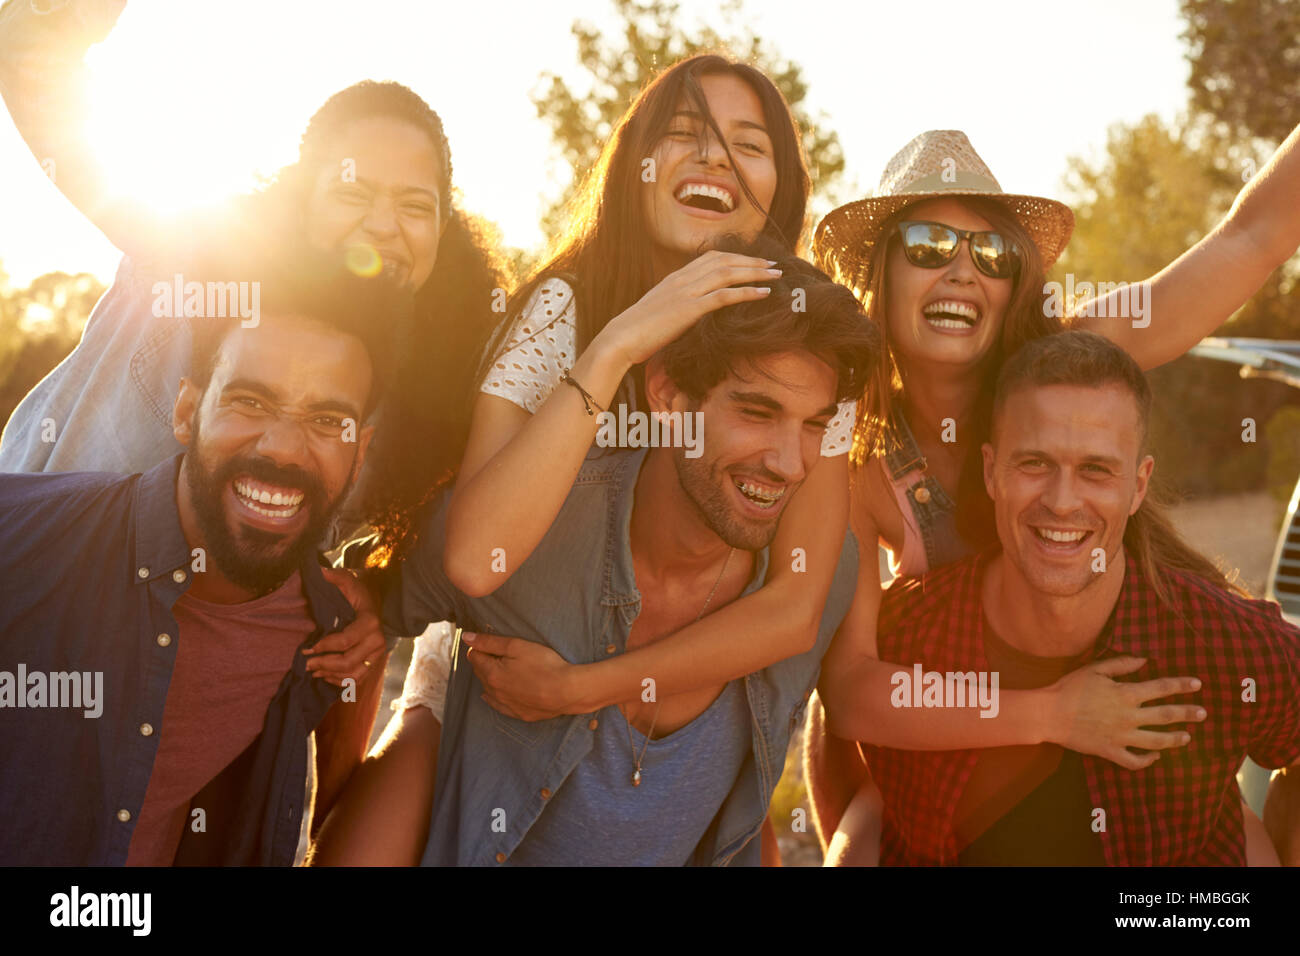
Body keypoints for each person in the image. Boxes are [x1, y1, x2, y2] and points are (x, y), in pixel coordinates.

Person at [379, 58, 854, 867]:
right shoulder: (562, 308)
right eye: (684, 136)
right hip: (500, 649)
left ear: (780, 188)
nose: (715, 159)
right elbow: (475, 558)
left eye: (749, 145)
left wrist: (581, 690)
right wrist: (625, 339)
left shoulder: (806, 342)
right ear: (634, 165)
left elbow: (793, 607)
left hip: (669, 679)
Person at [805, 127, 1300, 865]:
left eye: (993, 253)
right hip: (980, 707)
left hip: (1122, 663)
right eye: (929, 245)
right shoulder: (864, 460)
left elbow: (1250, 239)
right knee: (855, 822)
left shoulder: (1073, 361)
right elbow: (849, 693)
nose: (963, 271)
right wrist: (1052, 715)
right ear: (882, 271)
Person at [311, 245, 877, 866]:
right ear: (668, 396)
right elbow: (357, 615)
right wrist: (331, 812)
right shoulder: (533, 529)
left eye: (815, 424)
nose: (790, 463)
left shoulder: (824, 578)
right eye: (756, 412)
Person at [0, 0, 505, 562]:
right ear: (301, 200)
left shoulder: (421, 380)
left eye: (415, 206)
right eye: (352, 194)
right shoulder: (199, 254)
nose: (383, 226)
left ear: (444, 228)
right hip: (31, 584)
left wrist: (368, 599)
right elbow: (30, 55)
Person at [0, 251, 401, 865]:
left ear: (360, 449)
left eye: (326, 420)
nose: (285, 449)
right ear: (187, 412)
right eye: (252, 403)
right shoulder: (26, 536)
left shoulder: (334, 631)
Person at [855, 329, 1300, 865]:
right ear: (991, 470)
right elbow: (844, 757)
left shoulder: (1224, 646)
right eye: (1035, 463)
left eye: (1096, 469)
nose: (1063, 502)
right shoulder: (898, 636)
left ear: (1138, 487)